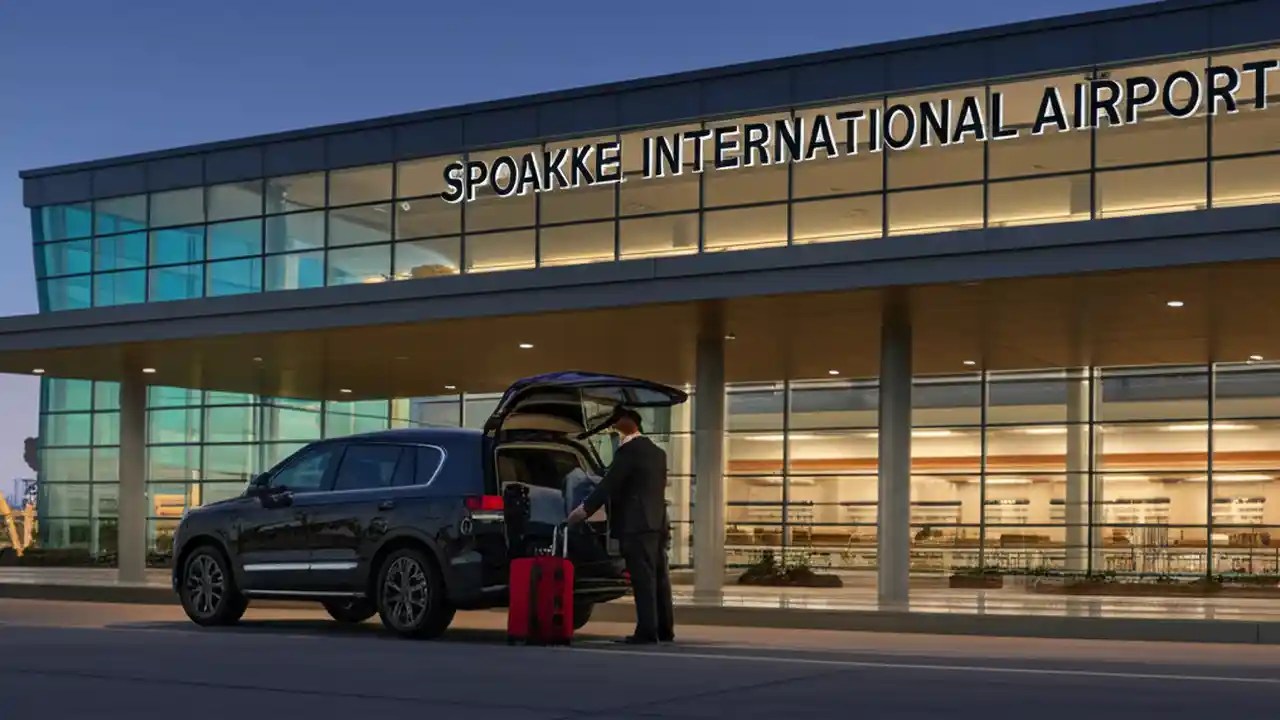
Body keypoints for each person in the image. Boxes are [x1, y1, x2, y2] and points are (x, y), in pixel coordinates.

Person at [567, 407, 674, 644]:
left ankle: (646, 632)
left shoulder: (628, 452)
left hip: (635, 525)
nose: (613, 428)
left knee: (642, 579)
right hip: (657, 522)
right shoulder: (657, 453)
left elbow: (608, 486)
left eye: (615, 423)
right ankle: (665, 629)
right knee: (658, 577)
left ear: (628, 423)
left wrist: (582, 512)